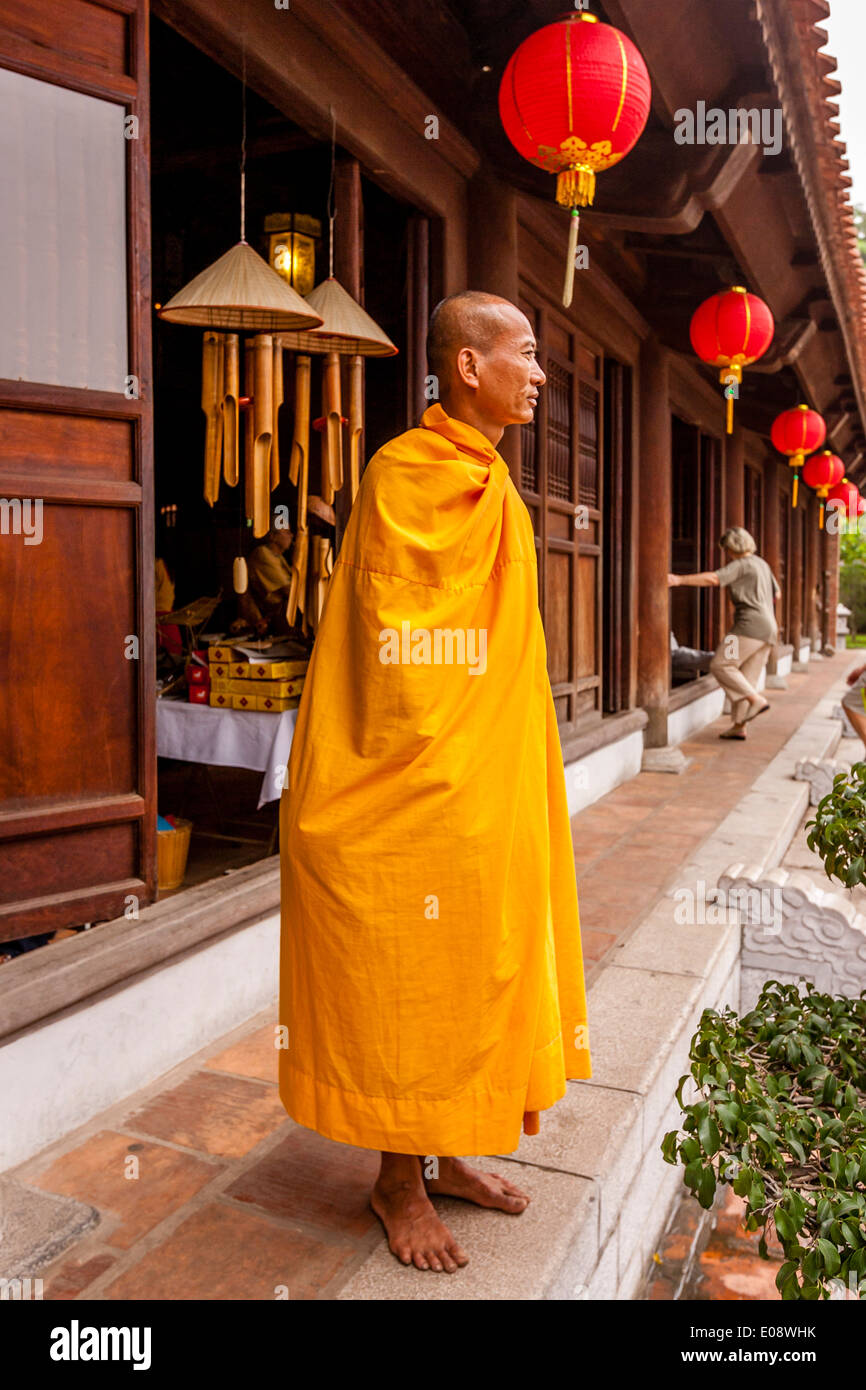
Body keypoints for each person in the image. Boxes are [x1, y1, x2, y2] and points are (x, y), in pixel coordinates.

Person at [278, 290, 591, 1274]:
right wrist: (447, 758)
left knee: (471, 962)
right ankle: (393, 1179)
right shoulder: (406, 473)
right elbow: (399, 646)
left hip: (488, 772)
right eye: (525, 353)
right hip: (419, 777)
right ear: (467, 365)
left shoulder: (487, 479)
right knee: (413, 968)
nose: (537, 374)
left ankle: (445, 1149)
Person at [668, 526, 780, 740]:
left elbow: (714, 579)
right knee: (745, 676)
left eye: (727, 550)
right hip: (769, 627)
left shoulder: (741, 565)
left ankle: (756, 700)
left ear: (732, 547)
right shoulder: (762, 564)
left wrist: (678, 580)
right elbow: (778, 594)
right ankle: (739, 726)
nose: (727, 554)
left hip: (748, 625)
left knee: (720, 664)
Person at [247, 518, 295, 634]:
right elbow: (289, 590)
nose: (291, 536)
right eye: (287, 532)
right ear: (273, 536)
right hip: (265, 618)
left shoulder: (279, 556)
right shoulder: (263, 554)